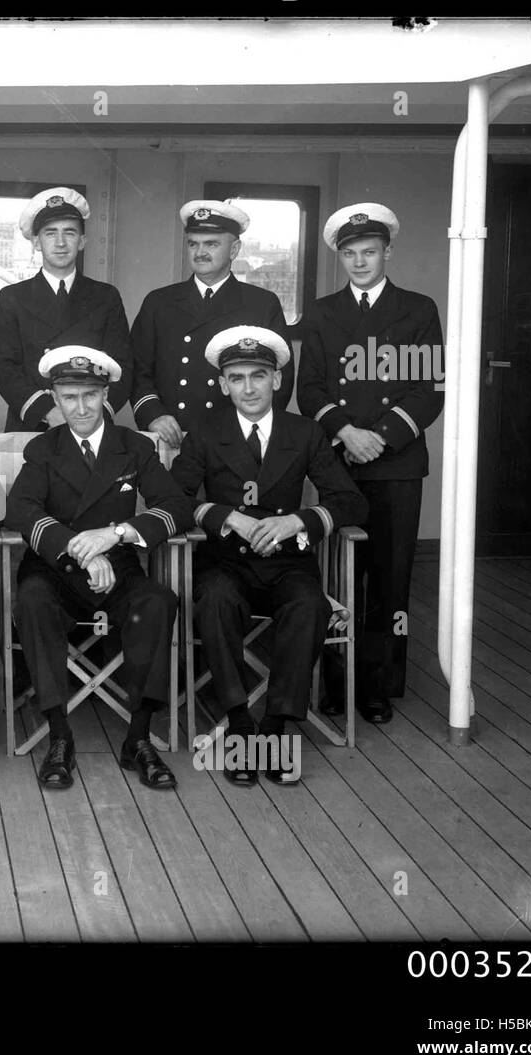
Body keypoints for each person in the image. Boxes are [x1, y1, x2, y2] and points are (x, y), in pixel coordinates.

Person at [170, 326, 367, 786]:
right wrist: (223, 515)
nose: (248, 388)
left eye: (258, 376)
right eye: (236, 378)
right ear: (222, 384)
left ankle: (276, 726)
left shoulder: (306, 432)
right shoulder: (205, 431)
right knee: (215, 601)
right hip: (226, 561)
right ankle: (239, 722)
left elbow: (351, 502)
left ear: (277, 380)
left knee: (309, 605)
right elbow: (172, 500)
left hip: (287, 561)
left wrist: (297, 521)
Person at [5, 345, 192, 790]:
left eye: (90, 395)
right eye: (69, 397)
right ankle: (60, 734)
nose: (81, 407)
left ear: (106, 394)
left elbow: (176, 507)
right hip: (56, 570)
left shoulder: (134, 446)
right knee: (31, 601)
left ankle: (139, 736)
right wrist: (78, 547)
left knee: (158, 601)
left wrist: (116, 535)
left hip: (120, 569)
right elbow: (21, 510)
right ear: (55, 399)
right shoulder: (43, 447)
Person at [296, 203, 444, 724]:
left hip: (396, 462)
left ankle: (378, 685)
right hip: (337, 460)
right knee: (338, 573)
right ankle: (337, 682)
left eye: (370, 252)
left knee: (389, 576)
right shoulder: (321, 311)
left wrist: (379, 437)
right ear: (341, 257)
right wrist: (344, 432)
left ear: (388, 252)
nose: (360, 261)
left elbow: (430, 390)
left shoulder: (418, 307)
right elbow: (307, 386)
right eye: (351, 254)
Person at [129, 199, 290, 451]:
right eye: (193, 244)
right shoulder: (159, 302)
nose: (200, 252)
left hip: (235, 441)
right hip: (172, 436)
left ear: (235, 249)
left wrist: (252, 430)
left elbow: (281, 380)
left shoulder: (261, 304)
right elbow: (138, 370)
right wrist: (153, 415)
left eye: (211, 244)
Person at [0, 187, 133, 431]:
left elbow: (122, 366)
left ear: (82, 242)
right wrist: (48, 411)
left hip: (90, 422)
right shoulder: (12, 298)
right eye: (50, 233)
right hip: (33, 423)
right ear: (36, 242)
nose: (60, 243)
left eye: (69, 233)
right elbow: (6, 369)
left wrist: (90, 414)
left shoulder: (106, 297)